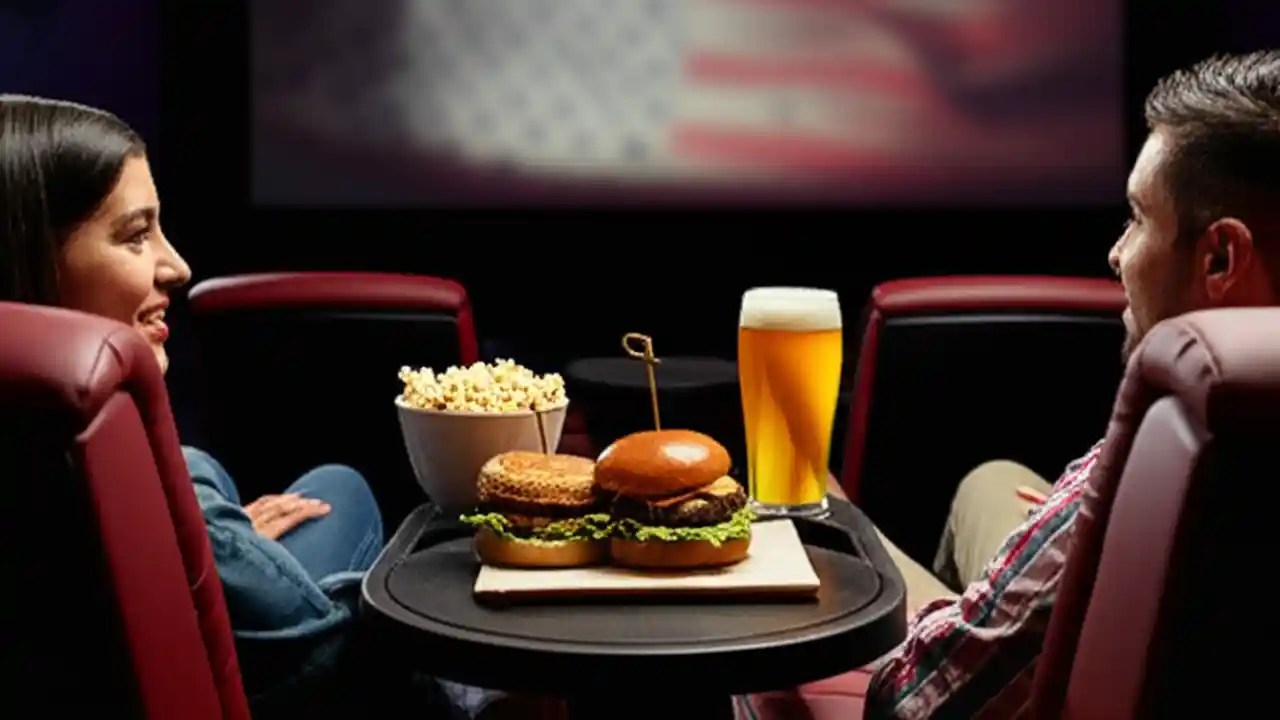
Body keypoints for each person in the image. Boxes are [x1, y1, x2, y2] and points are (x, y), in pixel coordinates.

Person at [740, 49, 1280, 718]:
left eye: (1138, 217)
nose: (1116, 253)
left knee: (817, 512)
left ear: (1221, 257)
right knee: (992, 482)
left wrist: (833, 537)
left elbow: (913, 700)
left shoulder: (1143, 473)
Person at [0, 94, 395, 713]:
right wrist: (208, 527)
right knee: (342, 489)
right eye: (136, 236)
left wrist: (209, 540)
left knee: (271, 478)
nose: (178, 267)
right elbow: (330, 650)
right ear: (29, 256)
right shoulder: (132, 486)